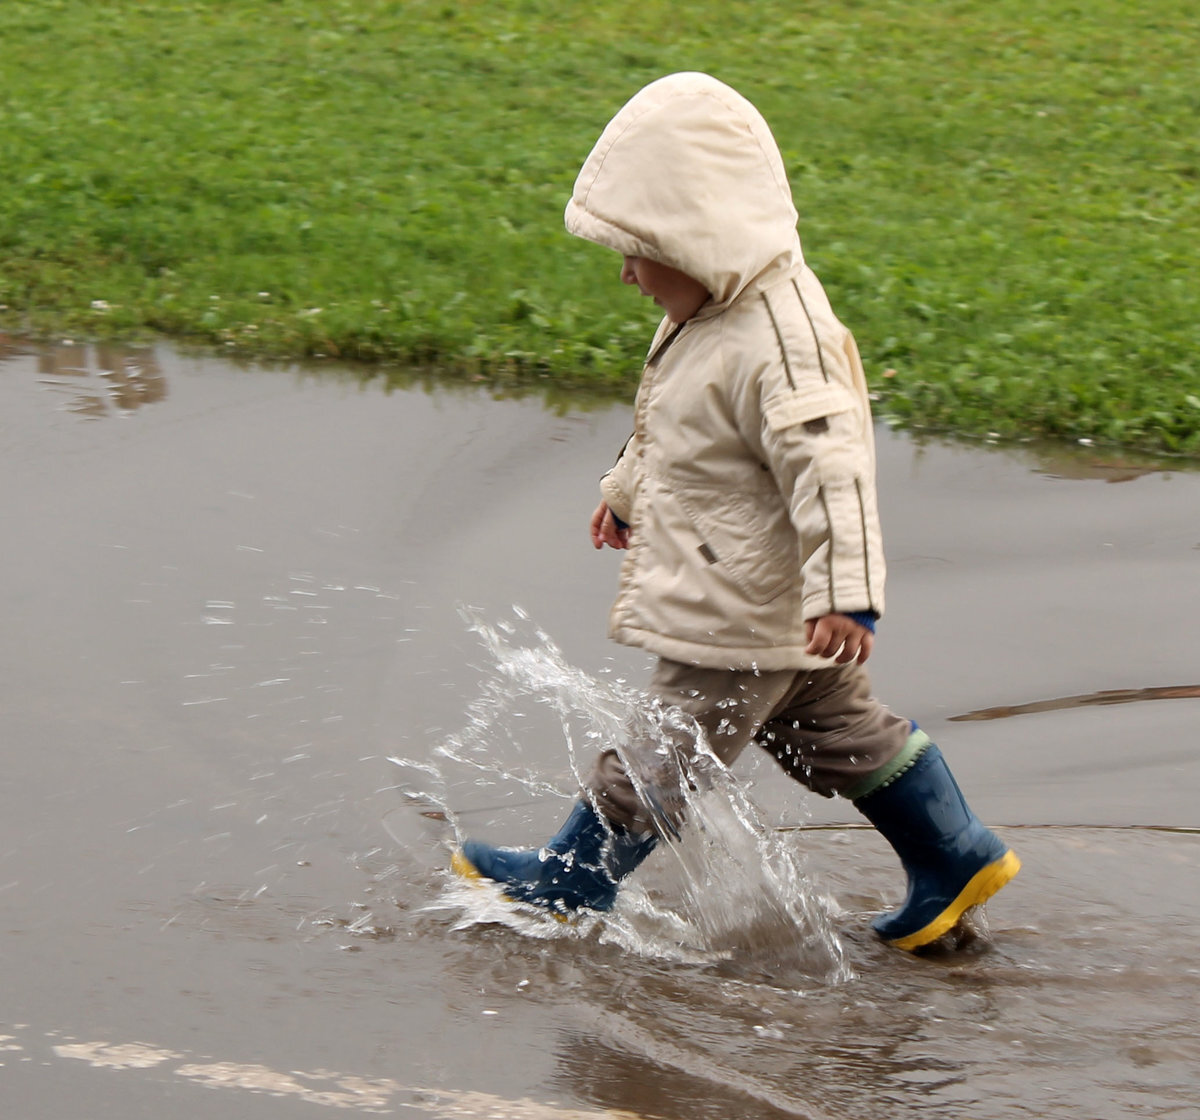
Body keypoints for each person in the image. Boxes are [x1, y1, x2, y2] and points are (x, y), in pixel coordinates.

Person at [452, 72, 1019, 951]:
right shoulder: (713, 305)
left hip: (746, 607)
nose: (629, 273)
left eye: (639, 250)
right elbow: (677, 421)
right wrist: (625, 496)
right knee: (841, 732)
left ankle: (571, 885)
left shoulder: (784, 344)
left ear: (697, 235)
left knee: (663, 752)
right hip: (773, 596)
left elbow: (834, 472)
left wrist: (848, 593)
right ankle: (953, 854)